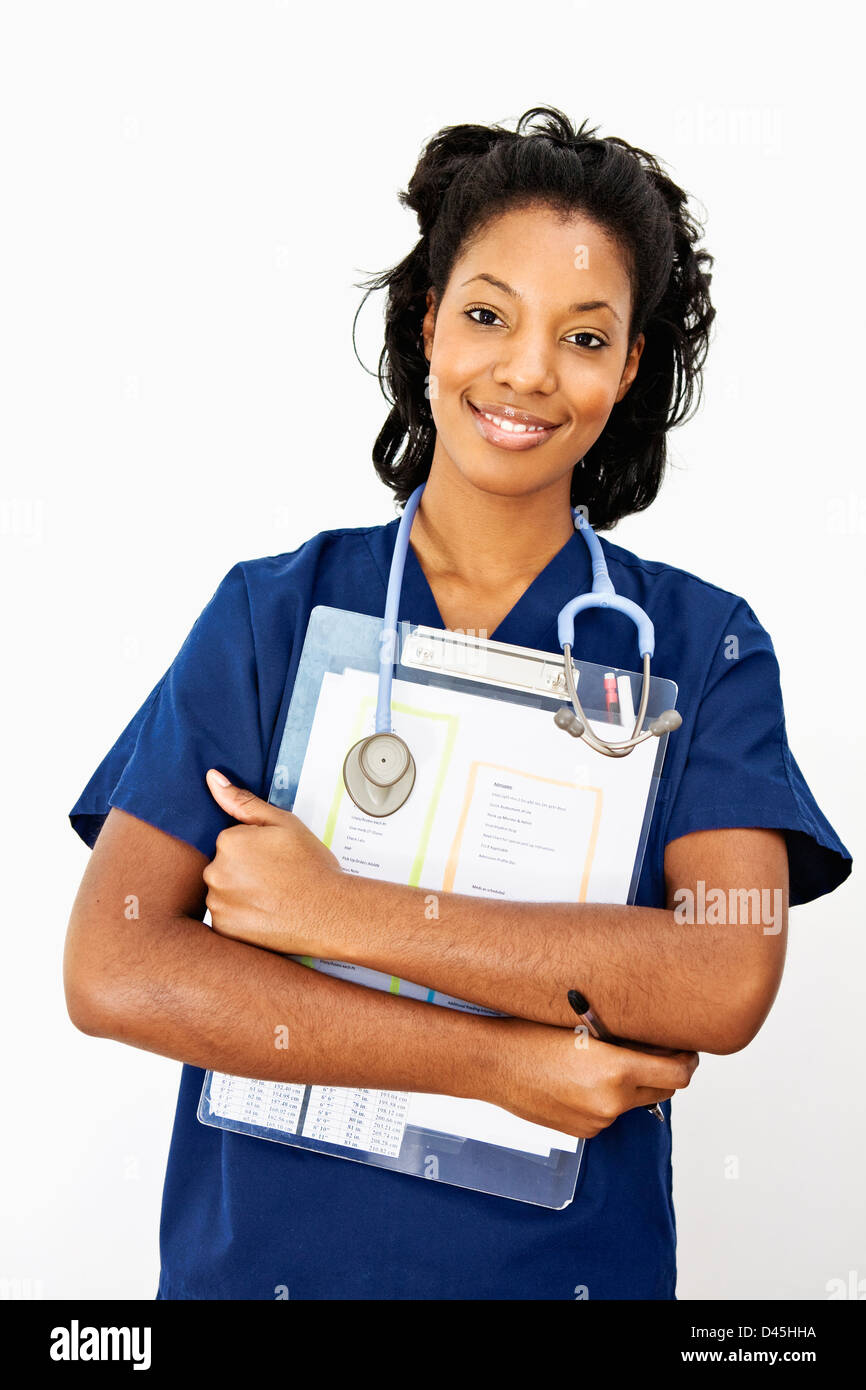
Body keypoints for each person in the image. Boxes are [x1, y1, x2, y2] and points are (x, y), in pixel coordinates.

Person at [65, 106, 852, 1300]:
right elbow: (113, 963)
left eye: (583, 336)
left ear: (628, 365)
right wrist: (494, 1062)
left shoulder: (706, 646)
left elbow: (725, 970)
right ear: (427, 320)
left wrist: (341, 910)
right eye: (487, 314)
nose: (527, 371)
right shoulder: (268, 618)